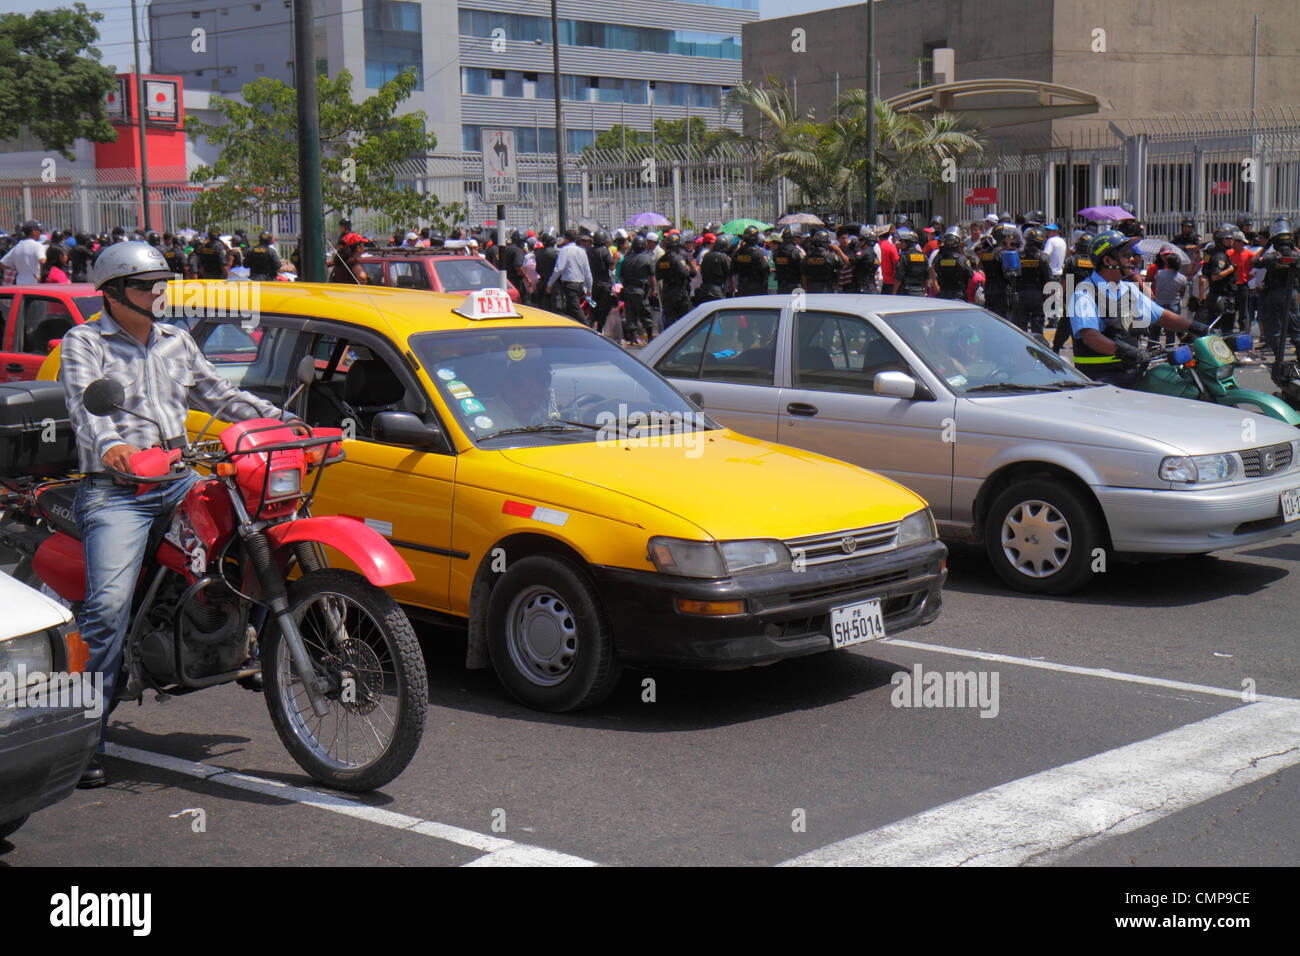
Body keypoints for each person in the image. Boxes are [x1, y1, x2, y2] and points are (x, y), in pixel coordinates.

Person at [60, 242, 296, 788]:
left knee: (254, 534)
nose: (158, 294)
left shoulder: (177, 342)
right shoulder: (85, 341)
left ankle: (252, 639)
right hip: (116, 490)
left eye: (162, 284)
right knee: (107, 610)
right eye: (146, 286)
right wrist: (111, 445)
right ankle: (81, 741)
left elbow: (220, 395)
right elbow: (83, 407)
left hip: (177, 478)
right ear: (114, 293)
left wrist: (283, 422)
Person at [1069, 230, 1209, 387]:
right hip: (1101, 381)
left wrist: (1198, 328)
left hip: (1132, 373)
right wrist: (1126, 351)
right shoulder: (1084, 295)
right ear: (1108, 260)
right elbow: (1090, 337)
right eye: (1125, 254)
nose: (1132, 259)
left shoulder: (1130, 290)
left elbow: (1161, 316)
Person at [1252, 219, 1300, 378]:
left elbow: (1254, 262)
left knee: (1272, 327)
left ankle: (1279, 357)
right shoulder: (1297, 255)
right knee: (1295, 328)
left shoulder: (1272, 256)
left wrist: (1264, 248)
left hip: (1273, 294)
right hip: (1291, 294)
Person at [1053, 232, 1095, 353]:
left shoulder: (1071, 260)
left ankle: (1056, 347)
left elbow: (1065, 280)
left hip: (1072, 297)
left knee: (1065, 324)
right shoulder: (1095, 261)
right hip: (1089, 297)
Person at [547, 228, 593, 324]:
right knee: (569, 308)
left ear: (565, 239)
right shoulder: (582, 251)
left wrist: (550, 283)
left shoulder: (565, 250)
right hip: (580, 284)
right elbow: (587, 271)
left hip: (569, 284)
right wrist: (589, 288)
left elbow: (559, 268)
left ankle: (586, 326)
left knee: (575, 307)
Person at [620, 234, 656, 345]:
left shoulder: (626, 259)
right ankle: (650, 337)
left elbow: (621, 276)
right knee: (645, 314)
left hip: (628, 290)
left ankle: (633, 338)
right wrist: (654, 290)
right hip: (641, 291)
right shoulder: (647, 258)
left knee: (630, 314)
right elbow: (652, 277)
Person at [654, 233, 696, 328]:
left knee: (669, 322)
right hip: (680, 293)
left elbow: (658, 275)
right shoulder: (681, 258)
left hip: (667, 293)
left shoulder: (661, 260)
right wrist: (688, 269)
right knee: (685, 322)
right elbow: (690, 273)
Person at [1150, 251, 1189, 347]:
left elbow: (1155, 282)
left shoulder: (1159, 273)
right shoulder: (1182, 278)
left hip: (1159, 304)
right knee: (1170, 332)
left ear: (1167, 263)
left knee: (1155, 331)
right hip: (1173, 305)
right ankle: (1169, 351)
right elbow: (1182, 293)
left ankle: (1152, 349)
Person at [931, 227, 974, 300]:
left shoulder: (938, 257)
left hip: (943, 293)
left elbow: (934, 268)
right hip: (958, 293)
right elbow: (970, 274)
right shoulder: (962, 259)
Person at [585, 230, 615, 332]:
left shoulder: (589, 251)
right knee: (603, 309)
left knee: (593, 308)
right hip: (604, 284)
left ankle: (589, 326)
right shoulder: (605, 250)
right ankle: (599, 330)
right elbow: (611, 266)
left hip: (593, 284)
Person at [1, 219, 45, 284]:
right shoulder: (37, 245)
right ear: (33, 231)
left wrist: (17, 267)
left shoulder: (17, 247)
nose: (40, 233)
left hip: (20, 284)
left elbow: (2, 264)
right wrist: (41, 276)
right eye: (39, 231)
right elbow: (43, 261)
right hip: (34, 283)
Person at [730, 226, 768, 296]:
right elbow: (765, 269)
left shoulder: (738, 253)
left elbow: (733, 270)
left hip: (742, 287)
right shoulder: (758, 253)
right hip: (756, 288)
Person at [533, 229, 560, 310]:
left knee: (544, 306)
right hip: (555, 283)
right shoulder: (557, 253)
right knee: (556, 306)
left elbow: (537, 269)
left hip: (543, 282)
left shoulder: (538, 253)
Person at [772, 229, 804, 294]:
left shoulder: (777, 252)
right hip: (794, 285)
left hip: (781, 285)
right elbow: (802, 268)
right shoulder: (795, 252)